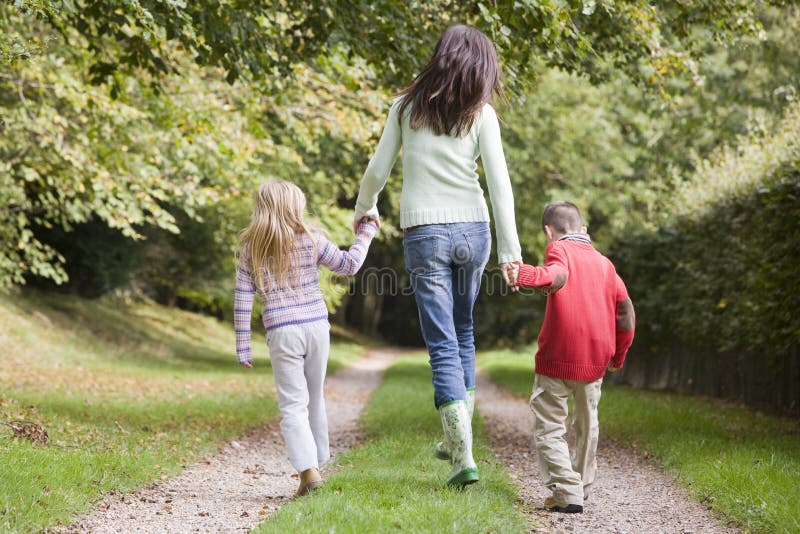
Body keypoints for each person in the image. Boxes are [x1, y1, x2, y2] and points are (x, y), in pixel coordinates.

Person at [353, 25, 522, 487]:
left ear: (440, 58)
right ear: (481, 68)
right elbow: (500, 187)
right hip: (475, 228)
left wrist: (364, 210)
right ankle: (454, 442)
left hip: (425, 231)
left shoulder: (405, 108)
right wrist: (511, 253)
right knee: (463, 331)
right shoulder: (482, 115)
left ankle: (461, 454)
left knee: (442, 341)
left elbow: (376, 171)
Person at [235, 180, 378, 497]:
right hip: (316, 327)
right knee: (315, 398)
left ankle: (309, 471)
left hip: (282, 332)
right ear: (295, 207)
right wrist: (366, 233)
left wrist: (243, 344)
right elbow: (349, 264)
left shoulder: (251, 249)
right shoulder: (312, 239)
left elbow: (243, 298)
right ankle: (316, 463)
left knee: (292, 406)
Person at [512, 201, 635, 513]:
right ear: (584, 230)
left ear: (548, 232)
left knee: (550, 426)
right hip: (595, 360)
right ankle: (580, 486)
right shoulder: (607, 265)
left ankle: (568, 490)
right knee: (587, 424)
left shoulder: (558, 250)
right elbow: (626, 313)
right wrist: (618, 355)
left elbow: (557, 276)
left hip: (557, 357)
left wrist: (524, 274)